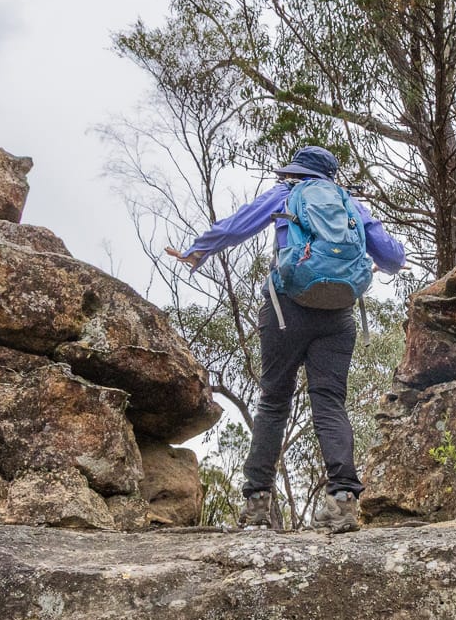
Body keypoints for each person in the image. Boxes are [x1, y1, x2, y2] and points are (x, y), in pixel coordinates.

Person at [167, 146, 405, 533]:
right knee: (329, 401)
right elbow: (394, 257)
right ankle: (344, 501)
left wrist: (200, 249)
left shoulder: (286, 193)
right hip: (338, 314)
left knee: (274, 400)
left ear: (296, 172)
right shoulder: (350, 204)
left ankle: (257, 506)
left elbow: (237, 225)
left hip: (285, 311)